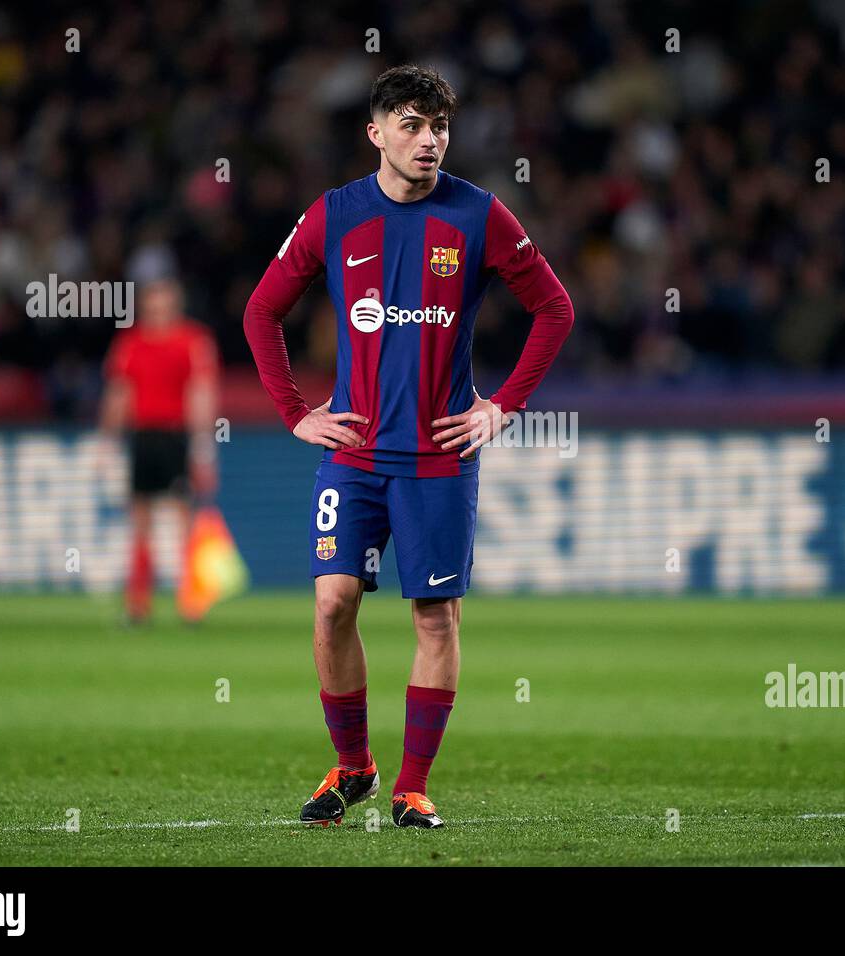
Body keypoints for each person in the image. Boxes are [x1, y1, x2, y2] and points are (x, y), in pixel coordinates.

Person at [243, 65, 574, 828]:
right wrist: (294, 412)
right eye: (413, 126)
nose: (430, 141)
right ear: (377, 132)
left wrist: (503, 405)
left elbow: (554, 309)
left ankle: (411, 787)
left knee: (436, 618)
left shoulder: (480, 215)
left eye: (441, 128)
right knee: (333, 605)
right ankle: (353, 766)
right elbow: (261, 311)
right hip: (354, 450)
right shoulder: (333, 215)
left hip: (438, 457)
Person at [101, 277, 219, 623]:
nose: (159, 312)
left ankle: (190, 604)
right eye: (153, 306)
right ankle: (138, 604)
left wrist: (202, 446)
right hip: (142, 437)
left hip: (175, 437)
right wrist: (108, 441)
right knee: (140, 522)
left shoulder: (193, 340)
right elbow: (119, 393)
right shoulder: (130, 343)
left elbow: (201, 392)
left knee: (184, 522)